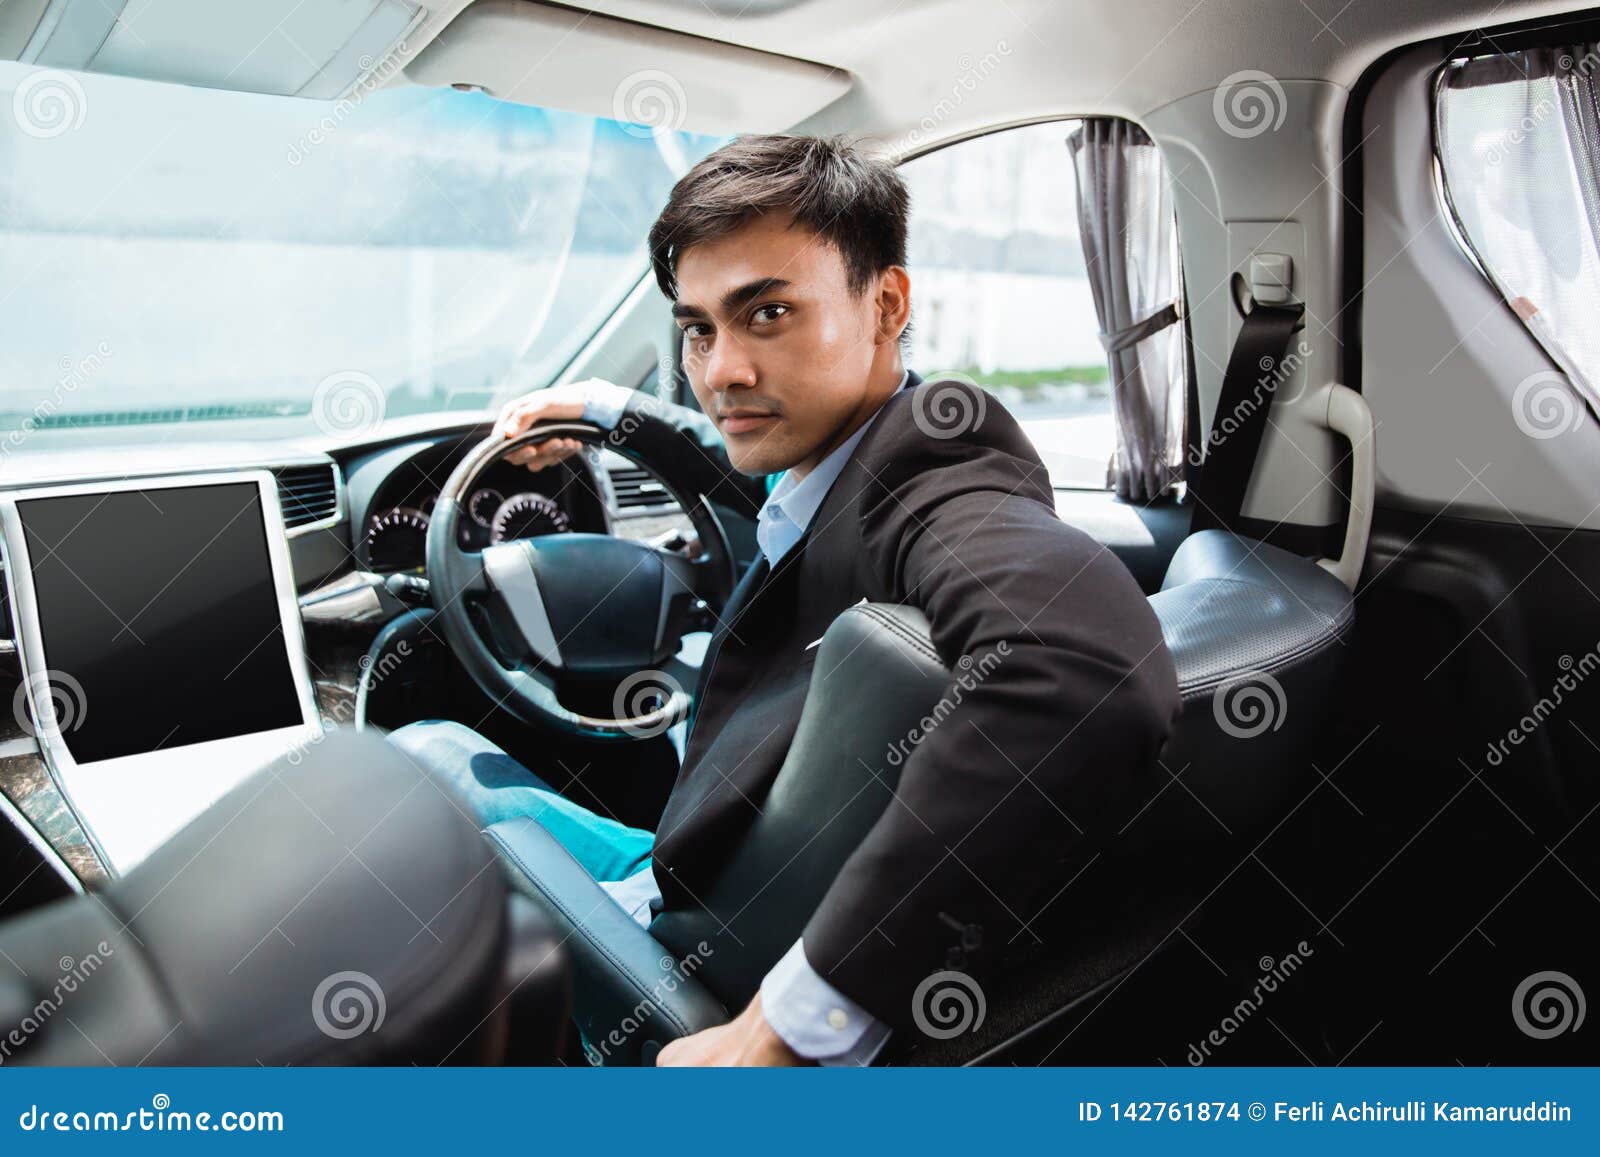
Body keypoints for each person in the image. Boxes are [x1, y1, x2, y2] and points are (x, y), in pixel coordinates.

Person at [391, 134, 1180, 1065]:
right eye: (698, 329)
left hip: (688, 932)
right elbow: (749, 475)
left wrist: (796, 1020)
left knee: (420, 755)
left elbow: (1086, 664)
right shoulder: (845, 450)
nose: (722, 370)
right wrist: (604, 407)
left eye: (767, 313)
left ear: (886, 304)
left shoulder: (935, 471)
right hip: (703, 858)